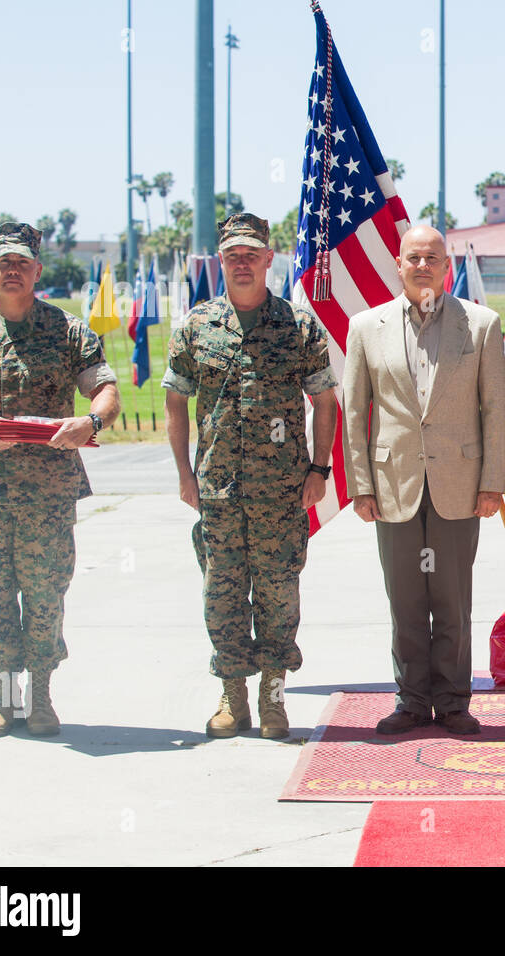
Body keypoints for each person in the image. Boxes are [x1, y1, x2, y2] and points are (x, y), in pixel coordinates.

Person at [0, 222, 121, 737]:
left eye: (22, 263)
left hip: (48, 494)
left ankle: (41, 696)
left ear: (37, 271)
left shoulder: (68, 331)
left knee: (45, 590)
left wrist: (91, 422)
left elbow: (105, 389)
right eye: (4, 263)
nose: (13, 271)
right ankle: (2, 695)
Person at [163, 213, 338, 740]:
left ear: (268, 259)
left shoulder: (298, 326)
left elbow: (326, 402)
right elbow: (175, 403)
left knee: (279, 593)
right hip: (218, 490)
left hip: (282, 492)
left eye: (251, 254)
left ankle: (274, 699)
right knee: (222, 593)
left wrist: (319, 469)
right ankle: (233, 696)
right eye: (233, 255)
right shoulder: (196, 326)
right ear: (222, 261)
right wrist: (184, 475)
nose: (242, 263)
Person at [341, 226, 505, 735]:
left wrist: (491, 482)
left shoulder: (480, 324)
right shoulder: (366, 327)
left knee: (453, 601)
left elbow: (496, 406)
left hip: (459, 484)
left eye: (432, 258)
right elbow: (354, 411)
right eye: (413, 257)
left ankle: (454, 702)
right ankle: (412, 700)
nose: (422, 266)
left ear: (446, 266)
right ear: (399, 264)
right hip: (394, 485)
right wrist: (361, 485)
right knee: (406, 601)